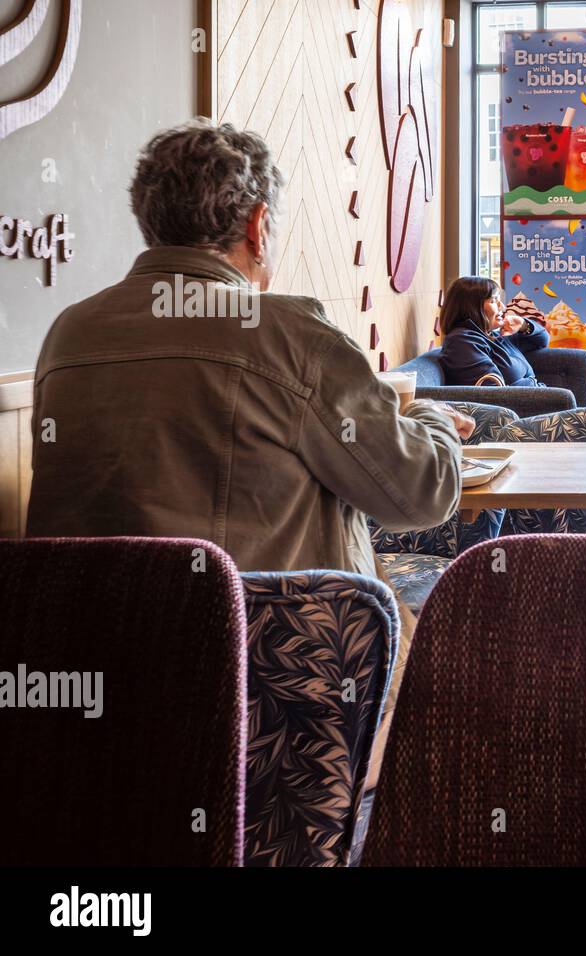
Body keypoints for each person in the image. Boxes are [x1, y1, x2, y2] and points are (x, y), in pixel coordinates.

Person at [25, 119, 473, 787]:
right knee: (448, 644)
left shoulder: (70, 332)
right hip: (269, 696)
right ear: (259, 225)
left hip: (101, 688)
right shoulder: (287, 334)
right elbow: (420, 494)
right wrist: (434, 419)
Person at [439, 276, 550, 387]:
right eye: (493, 301)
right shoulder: (462, 342)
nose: (502, 307)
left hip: (538, 397)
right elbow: (494, 392)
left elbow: (542, 340)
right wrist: (532, 384)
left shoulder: (493, 335)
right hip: (526, 402)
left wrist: (523, 325)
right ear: (471, 308)